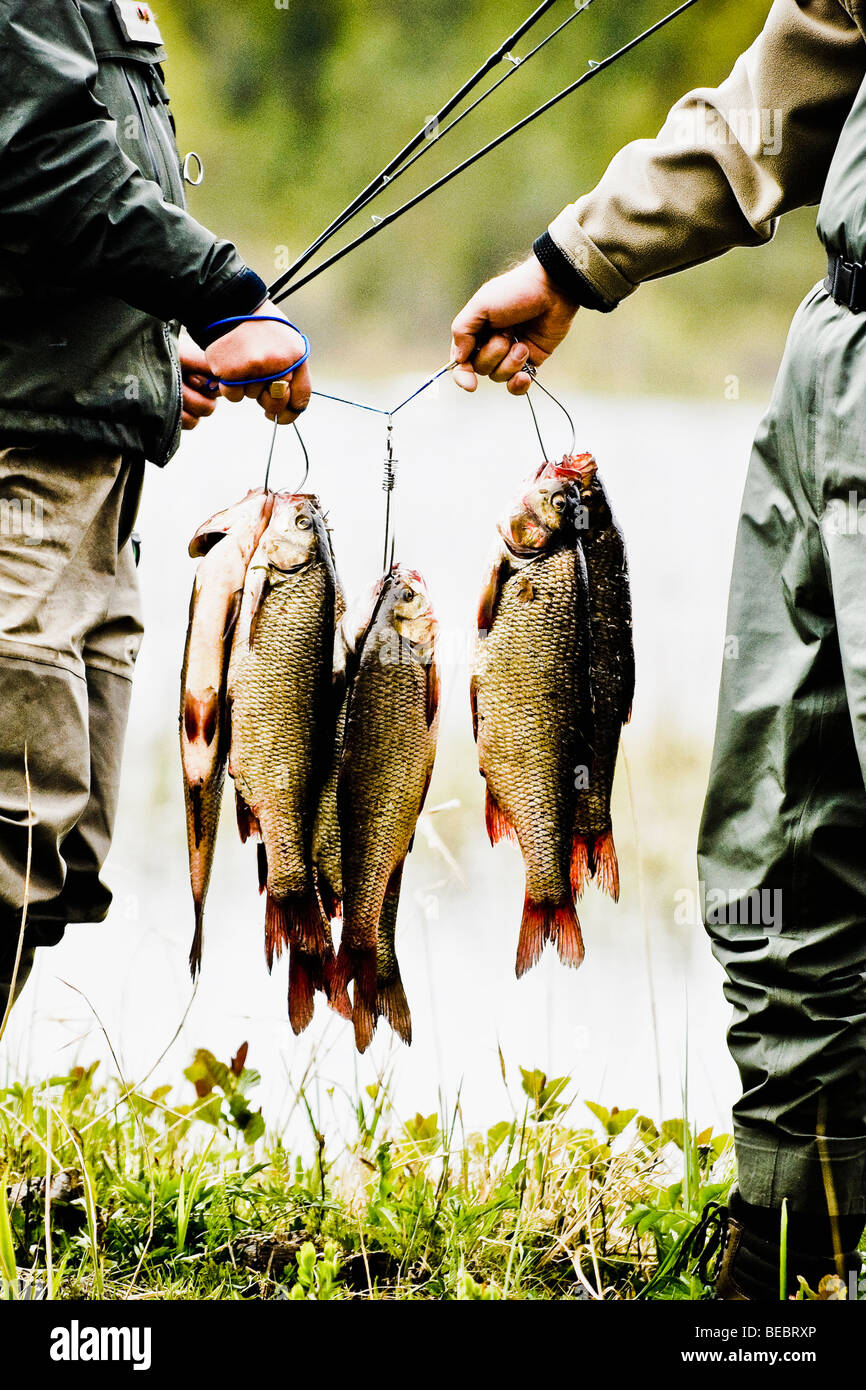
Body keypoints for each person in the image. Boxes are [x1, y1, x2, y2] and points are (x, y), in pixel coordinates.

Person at [451, 0, 866, 1300]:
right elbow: (802, 71)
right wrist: (578, 256)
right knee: (769, 854)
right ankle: (788, 1238)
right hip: (832, 362)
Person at [0, 1, 310, 1025]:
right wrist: (226, 297)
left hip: (88, 468)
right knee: (5, 842)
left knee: (47, 858)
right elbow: (45, 160)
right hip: (22, 465)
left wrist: (142, 351)